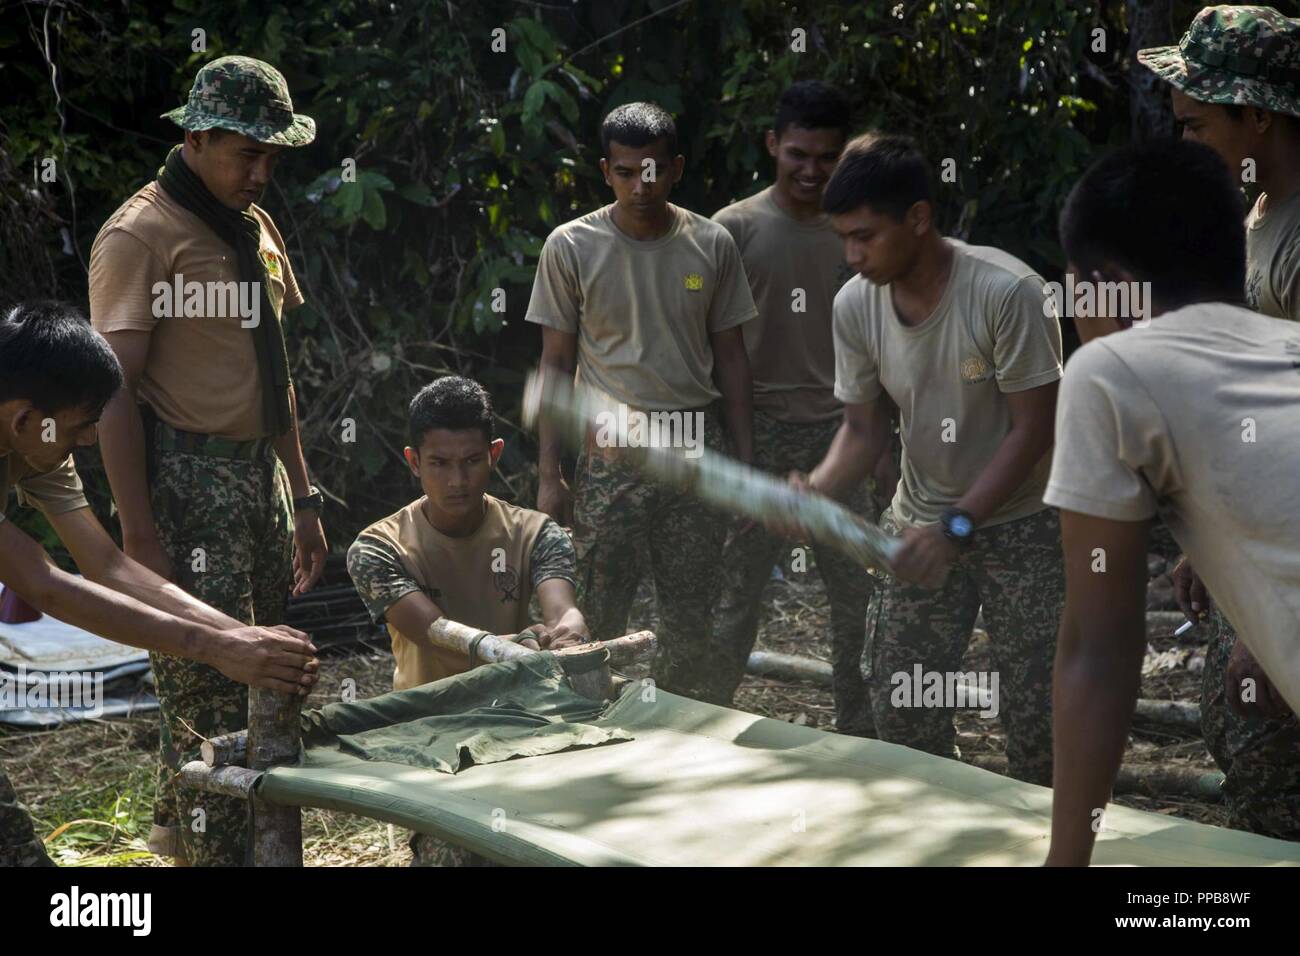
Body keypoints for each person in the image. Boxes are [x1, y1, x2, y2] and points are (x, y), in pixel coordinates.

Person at [89, 55, 326, 866]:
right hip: (185, 486)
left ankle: (198, 837)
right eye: (246, 154)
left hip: (259, 478)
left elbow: (277, 371)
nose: (261, 173)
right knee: (206, 688)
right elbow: (110, 392)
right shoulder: (141, 235)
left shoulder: (251, 227)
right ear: (196, 138)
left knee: (265, 675)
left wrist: (306, 493)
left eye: (272, 157)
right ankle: (205, 849)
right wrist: (140, 534)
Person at [1045, 139, 1300, 865]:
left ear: (1112, 287)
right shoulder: (1287, 346)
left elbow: (1100, 645)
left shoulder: (1111, 370)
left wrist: (1065, 863)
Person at [0, 301, 318, 867]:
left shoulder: (36, 436)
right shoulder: (37, 430)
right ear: (25, 419)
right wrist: (218, 647)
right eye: (80, 428)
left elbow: (108, 566)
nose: (90, 443)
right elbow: (42, 584)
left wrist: (248, 639)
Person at [790, 132, 1065, 784]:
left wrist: (956, 529)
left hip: (1024, 526)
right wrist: (817, 491)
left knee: (1042, 721)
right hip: (917, 521)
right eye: (843, 239)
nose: (853, 256)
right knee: (902, 709)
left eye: (866, 236)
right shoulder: (855, 303)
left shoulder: (1007, 292)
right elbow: (863, 429)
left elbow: (1036, 430)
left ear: (917, 218)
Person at [527, 102, 758, 703]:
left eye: (652, 170)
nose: (641, 184)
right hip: (612, 449)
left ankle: (681, 740)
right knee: (595, 608)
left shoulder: (711, 243)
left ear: (675, 168)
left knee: (690, 611)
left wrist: (746, 466)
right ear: (606, 171)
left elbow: (732, 359)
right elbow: (554, 365)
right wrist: (549, 476)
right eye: (626, 171)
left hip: (694, 444)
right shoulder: (571, 246)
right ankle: (584, 730)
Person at [1138, 4, 1300, 839]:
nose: (1185, 142)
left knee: (1268, 779)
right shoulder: (1260, 212)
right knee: (1246, 748)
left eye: (1197, 125)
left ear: (1258, 115)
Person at [347, 375, 587, 866]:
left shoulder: (536, 533)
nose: (457, 481)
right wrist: (513, 645)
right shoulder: (377, 548)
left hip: (525, 728)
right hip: (431, 740)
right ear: (414, 461)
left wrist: (569, 629)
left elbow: (561, 607)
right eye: (439, 464)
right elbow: (432, 631)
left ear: (494, 455)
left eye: (472, 461)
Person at [710, 81, 887, 731]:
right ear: (772, 147)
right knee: (732, 600)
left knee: (859, 603)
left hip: (845, 436)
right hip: (756, 435)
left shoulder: (860, 231)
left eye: (827, 157)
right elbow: (712, 347)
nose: (812, 170)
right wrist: (736, 451)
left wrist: (886, 450)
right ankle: (703, 732)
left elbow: (881, 347)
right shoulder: (732, 229)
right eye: (798, 154)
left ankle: (861, 741)